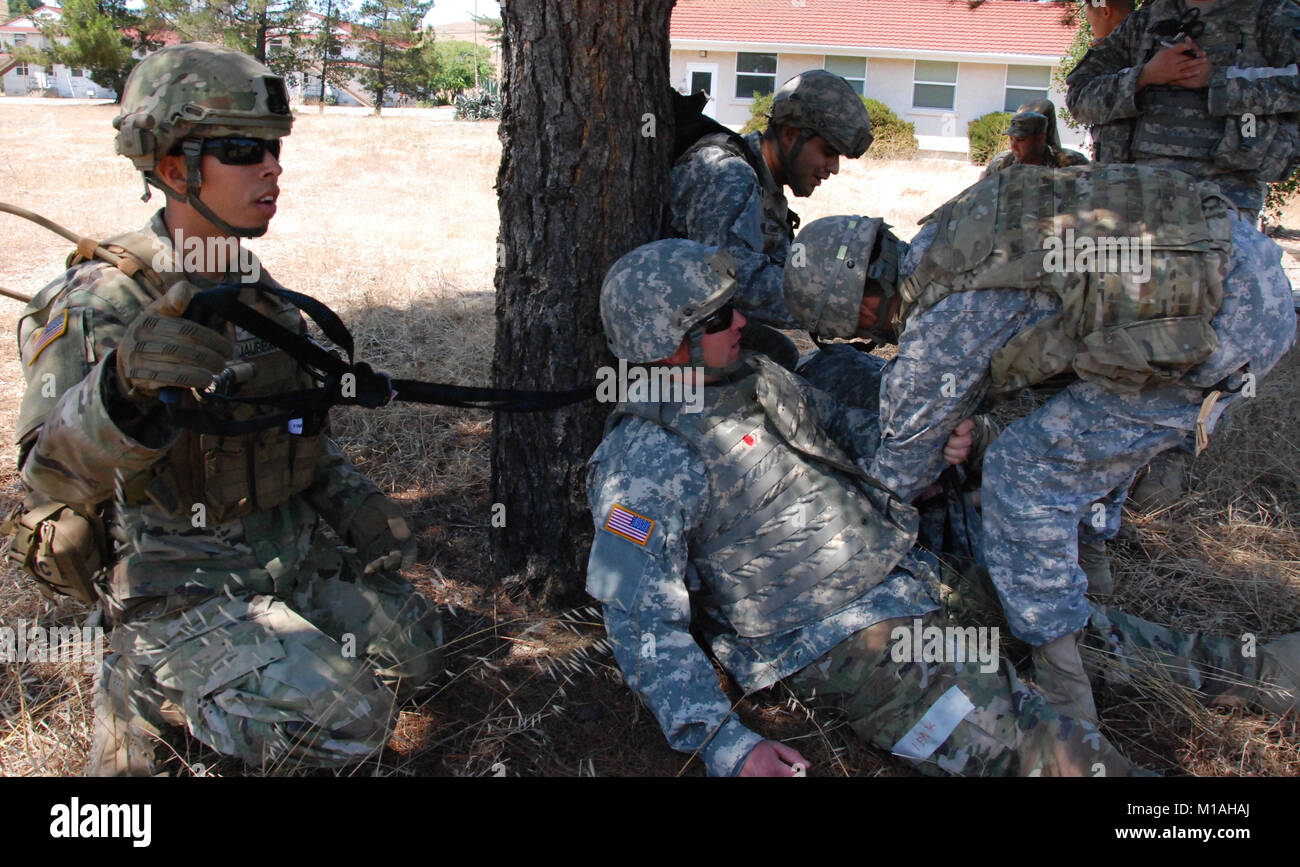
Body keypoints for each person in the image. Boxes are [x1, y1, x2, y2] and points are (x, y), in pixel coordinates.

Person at [585, 237, 1297, 777]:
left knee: (1075, 630)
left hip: (911, 575)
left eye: (733, 303)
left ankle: (1263, 670)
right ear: (667, 343)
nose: (741, 318)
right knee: (1042, 746)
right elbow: (639, 620)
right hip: (843, 640)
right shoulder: (641, 462)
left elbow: (847, 433)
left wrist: (934, 445)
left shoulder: (756, 376)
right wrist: (726, 745)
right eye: (716, 316)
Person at [11, 43, 443, 775]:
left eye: (272, 147)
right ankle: (142, 669)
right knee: (353, 719)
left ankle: (257, 661)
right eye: (244, 148)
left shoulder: (258, 289)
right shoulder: (101, 301)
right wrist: (121, 392)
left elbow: (295, 424)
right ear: (172, 167)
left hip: (283, 556)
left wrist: (353, 501)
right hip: (180, 585)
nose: (272, 166)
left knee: (425, 653)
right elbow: (45, 476)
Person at [782, 162, 1300, 720]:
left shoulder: (937, 329)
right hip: (1235, 262)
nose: (868, 338)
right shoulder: (949, 239)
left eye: (854, 329)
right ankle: (1092, 577)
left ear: (862, 300)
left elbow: (897, 479)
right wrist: (962, 428)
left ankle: (1067, 693)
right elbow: (1039, 341)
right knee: (1077, 429)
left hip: (1221, 321)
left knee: (1022, 473)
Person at [670, 69, 872, 370]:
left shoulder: (765, 185)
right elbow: (736, 282)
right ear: (790, 134)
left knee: (795, 356)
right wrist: (843, 306)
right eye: (828, 152)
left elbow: (783, 270)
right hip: (677, 346)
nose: (833, 168)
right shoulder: (731, 176)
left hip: (700, 332)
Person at [1065, 0, 1300, 220]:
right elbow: (1079, 96)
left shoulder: (1272, 14)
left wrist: (1217, 79)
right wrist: (1144, 76)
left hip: (1223, 201)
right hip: (1131, 199)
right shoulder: (1147, 19)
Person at [980, 105, 1090, 180]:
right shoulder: (1001, 164)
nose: (1013, 146)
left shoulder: (1072, 164)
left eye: (1020, 140)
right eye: (1011, 139)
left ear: (1040, 139)